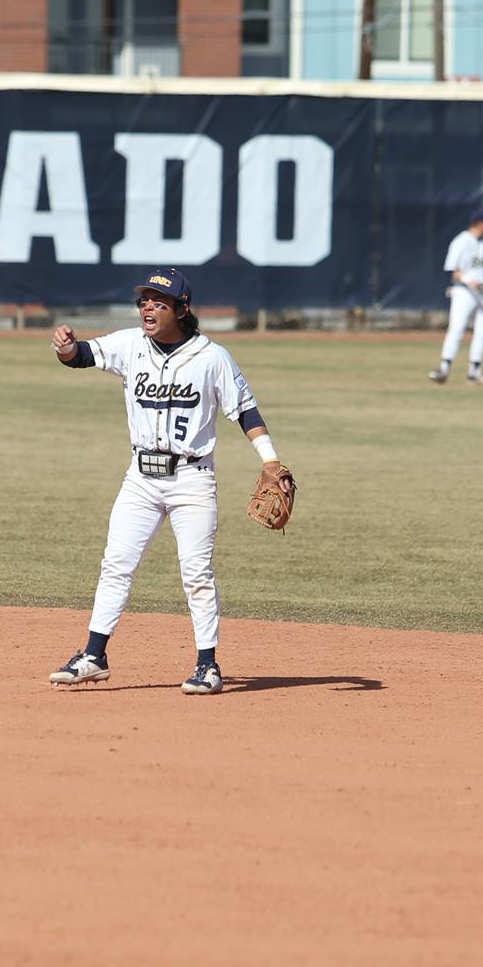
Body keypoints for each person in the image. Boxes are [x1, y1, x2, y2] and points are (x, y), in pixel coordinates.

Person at [47, 268, 288, 696]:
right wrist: (65, 347)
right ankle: (94, 656)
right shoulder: (130, 345)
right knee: (116, 564)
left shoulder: (212, 357)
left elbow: (245, 410)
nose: (148, 309)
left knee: (196, 573)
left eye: (159, 303)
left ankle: (207, 665)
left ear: (181, 310)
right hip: (140, 479)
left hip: (192, 480)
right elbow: (81, 355)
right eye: (144, 302)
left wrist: (270, 460)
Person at [431, 208, 483, 387]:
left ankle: (475, 372)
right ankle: (444, 369)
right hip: (464, 292)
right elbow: (451, 269)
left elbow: (480, 271)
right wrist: (469, 281)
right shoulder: (461, 241)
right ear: (479, 223)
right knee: (457, 329)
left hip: (482, 292)